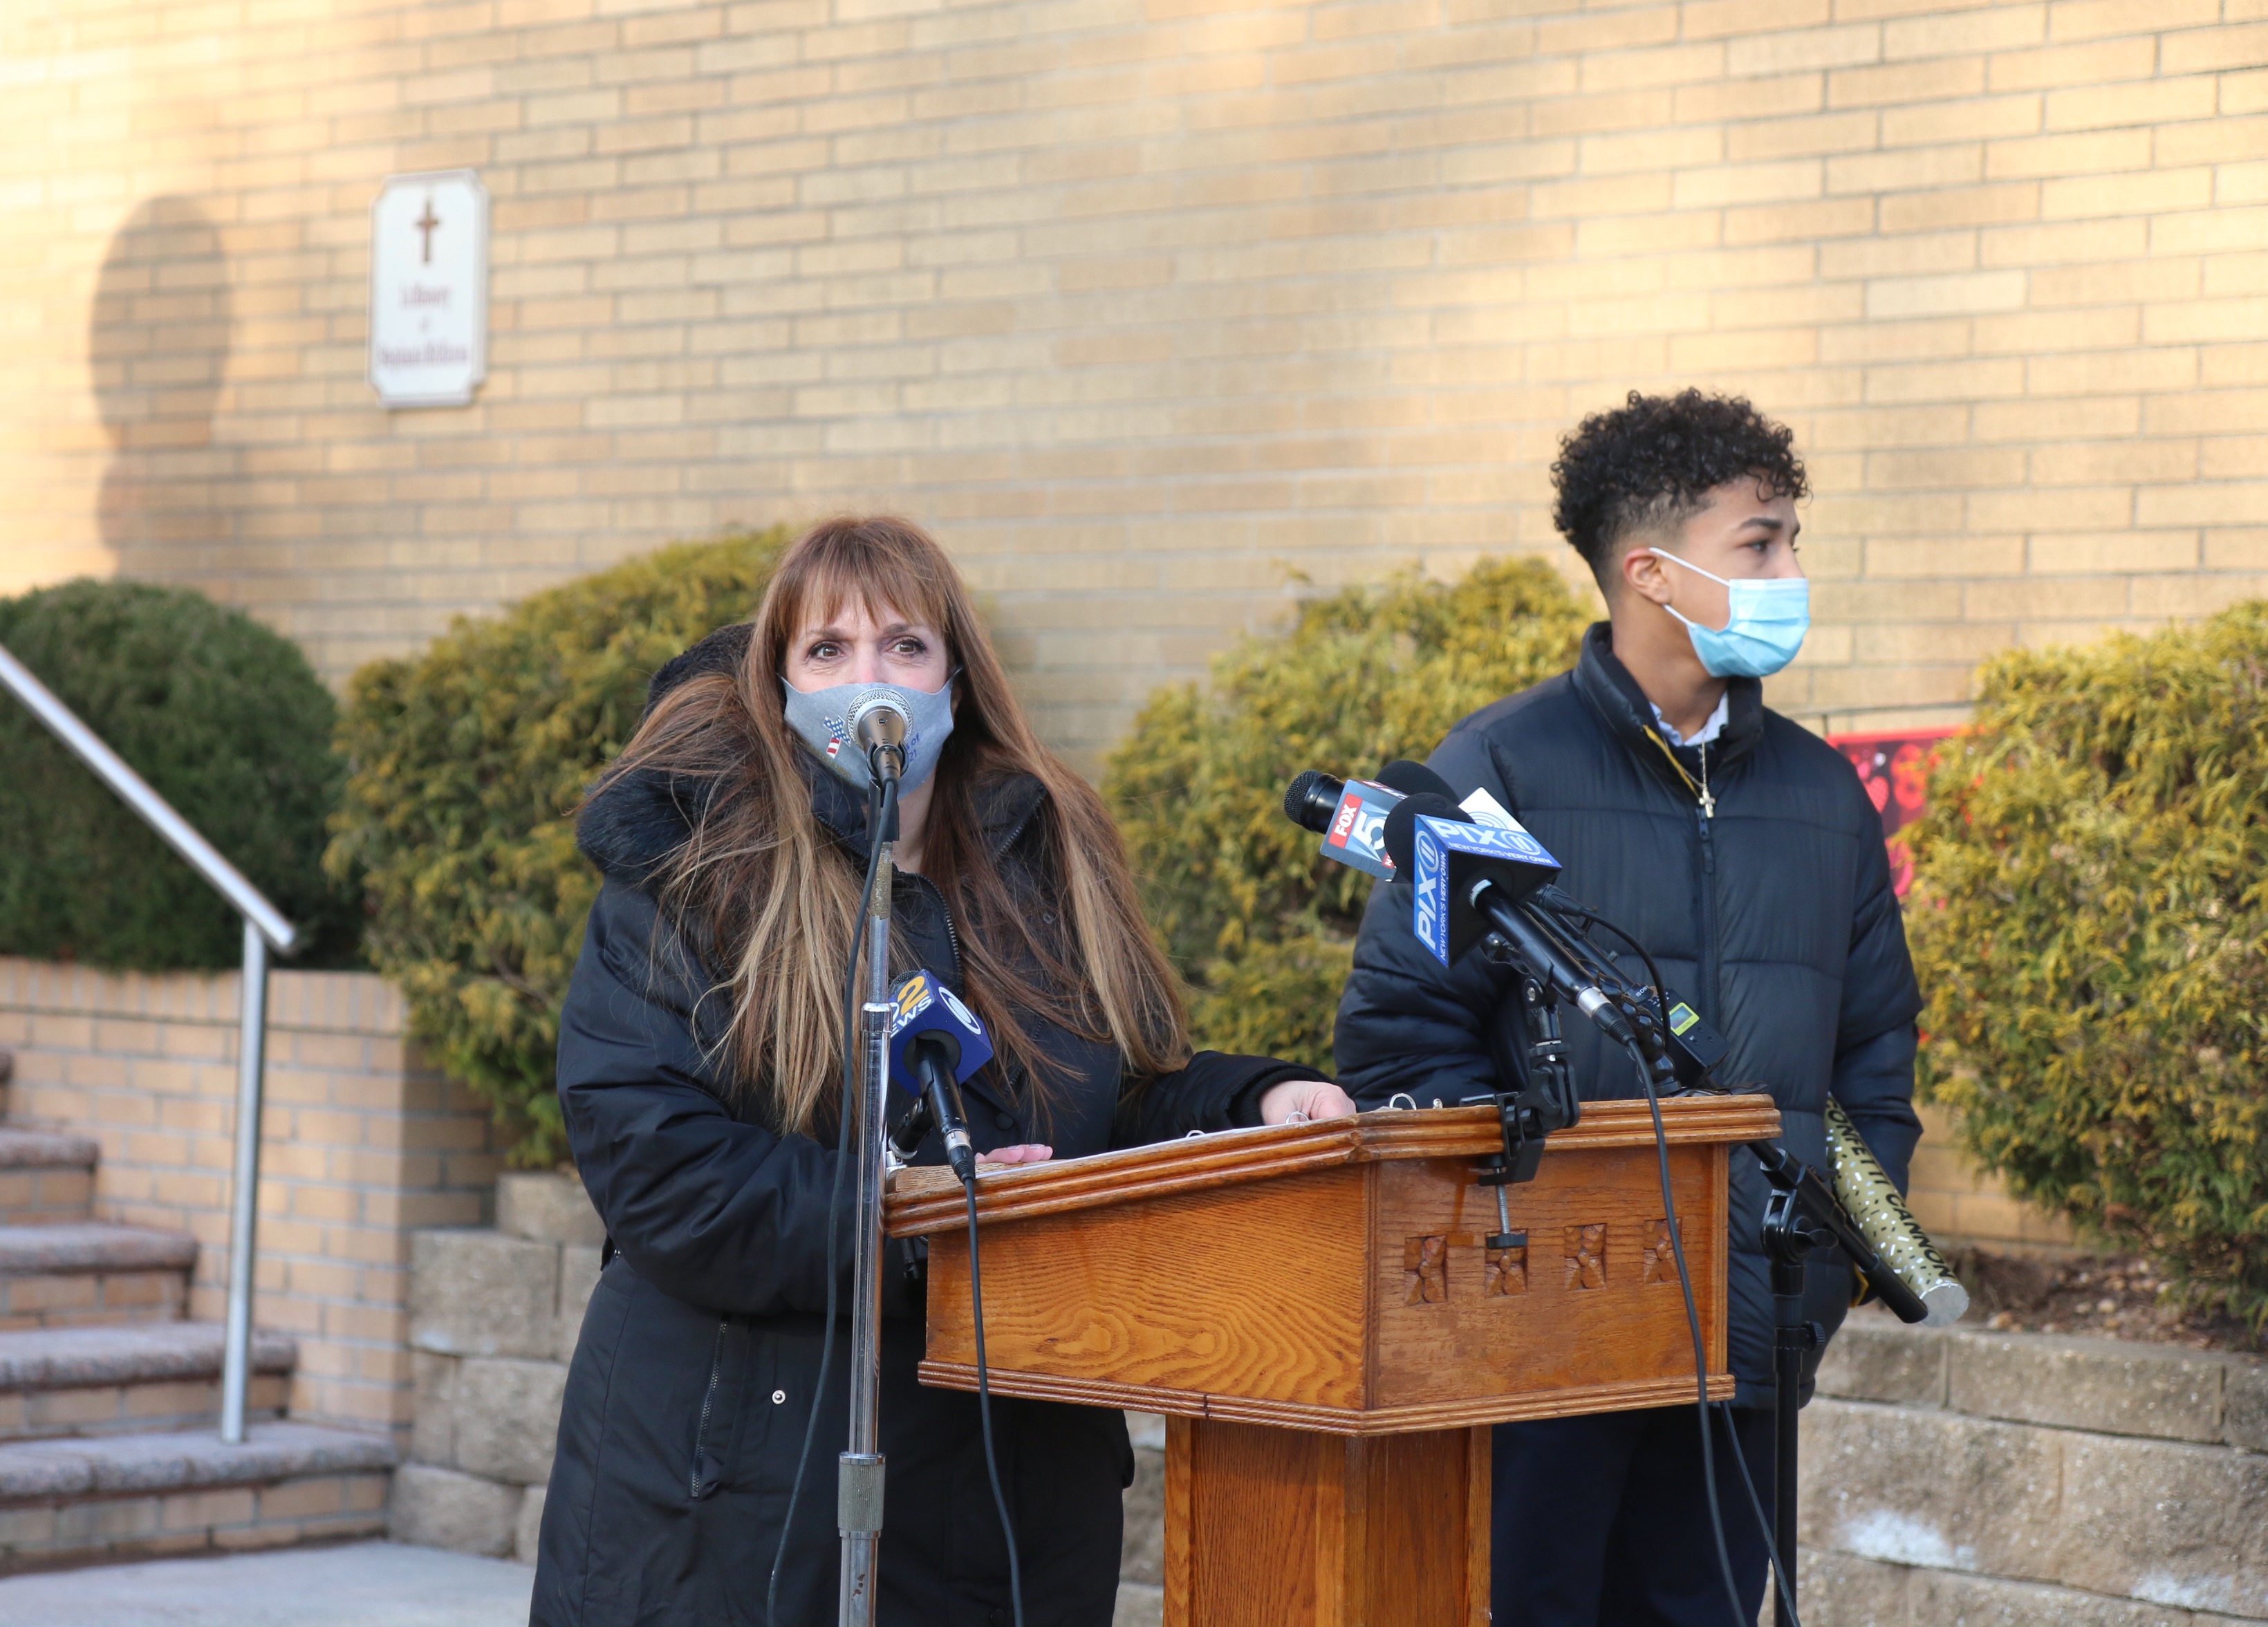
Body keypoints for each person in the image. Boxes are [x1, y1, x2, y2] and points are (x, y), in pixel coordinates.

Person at [530, 516, 1355, 1627]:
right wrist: (909, 1217)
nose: (869, 679)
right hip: (749, 1475)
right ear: (776, 684)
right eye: (827, 651)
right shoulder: (693, 871)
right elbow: (656, 1164)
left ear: (956, 681)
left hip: (1008, 1472)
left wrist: (1251, 1099)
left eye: (904, 647)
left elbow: (1115, 1090)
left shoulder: (1048, 846)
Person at [1332, 390, 1922, 1626]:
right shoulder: (1493, 772)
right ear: (1653, 573)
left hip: (1748, 1351)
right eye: (1761, 543)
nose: (1792, 570)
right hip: (1542, 1355)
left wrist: (1830, 1273)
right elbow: (1397, 1043)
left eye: (1791, 540)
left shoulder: (1825, 799)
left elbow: (1870, 1064)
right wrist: (1527, 1237)